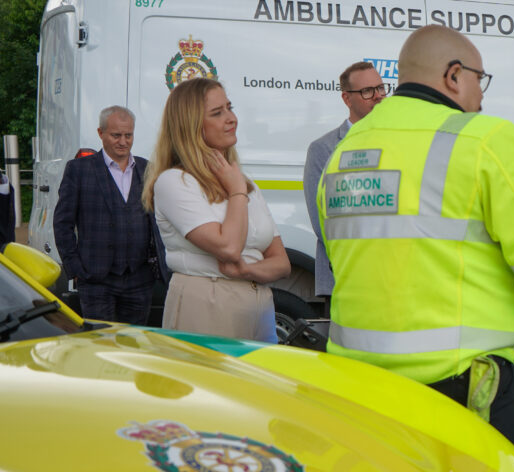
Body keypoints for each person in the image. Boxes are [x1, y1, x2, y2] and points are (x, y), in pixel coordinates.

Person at [317, 25, 514, 461]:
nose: (481, 95)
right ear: (454, 75)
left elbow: (346, 254)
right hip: (463, 389)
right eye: (480, 79)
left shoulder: (344, 152)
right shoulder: (482, 140)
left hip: (363, 389)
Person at [142, 77, 290, 342]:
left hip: (259, 305)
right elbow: (229, 248)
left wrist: (247, 271)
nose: (231, 118)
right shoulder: (175, 181)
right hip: (206, 302)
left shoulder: (243, 182)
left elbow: (282, 263)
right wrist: (236, 192)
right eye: (217, 112)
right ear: (191, 126)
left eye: (230, 108)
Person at [52, 106, 166, 323]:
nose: (123, 141)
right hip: (95, 279)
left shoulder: (147, 169)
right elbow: (62, 223)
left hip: (139, 280)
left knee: (133, 340)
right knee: (99, 339)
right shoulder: (78, 170)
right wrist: (74, 268)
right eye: (116, 135)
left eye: (128, 135)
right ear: (100, 133)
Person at [303, 62, 388, 299]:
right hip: (344, 279)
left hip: (392, 277)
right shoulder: (323, 148)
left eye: (381, 88)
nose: (378, 96)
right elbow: (323, 223)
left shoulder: (398, 141)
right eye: (367, 91)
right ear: (347, 99)